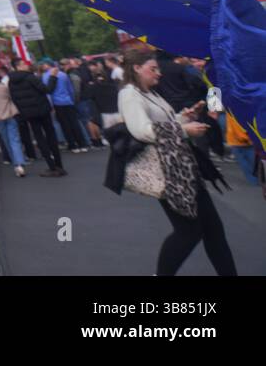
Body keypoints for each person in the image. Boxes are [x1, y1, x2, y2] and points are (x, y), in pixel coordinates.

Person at [116, 48, 235, 276]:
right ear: (136, 68)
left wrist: (184, 117)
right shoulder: (130, 93)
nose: (158, 73)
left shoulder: (148, 92)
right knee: (189, 231)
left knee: (212, 230)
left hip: (182, 166)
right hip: (169, 172)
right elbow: (142, 131)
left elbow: (164, 123)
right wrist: (183, 129)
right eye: (153, 69)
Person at [8, 59, 65, 176]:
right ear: (18, 66)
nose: (27, 65)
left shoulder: (11, 82)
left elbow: (15, 99)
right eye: (23, 64)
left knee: (39, 137)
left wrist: (24, 111)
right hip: (42, 109)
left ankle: (51, 165)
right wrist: (53, 77)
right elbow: (47, 90)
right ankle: (58, 165)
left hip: (29, 113)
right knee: (50, 135)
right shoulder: (30, 77)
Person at [43, 63, 89, 153]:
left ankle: (72, 145)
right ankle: (82, 144)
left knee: (65, 125)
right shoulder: (63, 74)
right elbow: (70, 89)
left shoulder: (45, 76)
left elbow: (48, 92)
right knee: (74, 123)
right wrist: (72, 100)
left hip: (57, 103)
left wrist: (50, 105)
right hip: (68, 101)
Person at [223, 112, 259, 185]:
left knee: (244, 162)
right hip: (246, 139)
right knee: (252, 161)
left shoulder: (230, 108)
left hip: (237, 140)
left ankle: (254, 180)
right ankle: (257, 179)